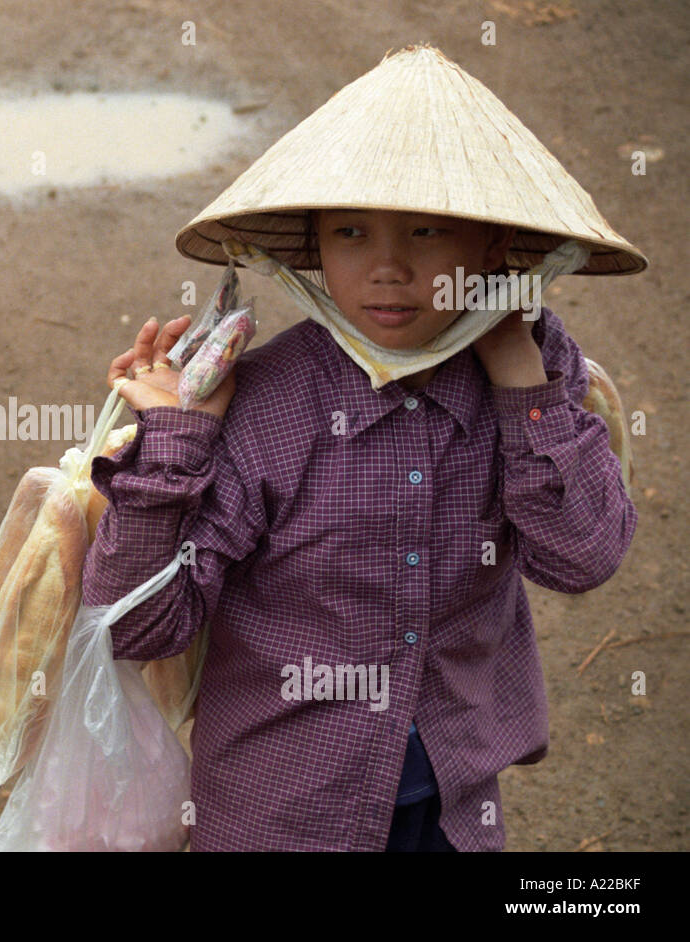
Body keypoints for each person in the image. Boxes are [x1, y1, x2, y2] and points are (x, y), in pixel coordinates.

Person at [82, 45, 643, 852]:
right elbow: (136, 628)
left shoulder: (535, 367)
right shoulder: (263, 405)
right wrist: (175, 438)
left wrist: (520, 378)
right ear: (312, 246)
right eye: (350, 232)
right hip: (279, 815)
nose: (388, 268)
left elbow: (582, 558)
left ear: (493, 247)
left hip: (452, 806)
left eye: (426, 229)